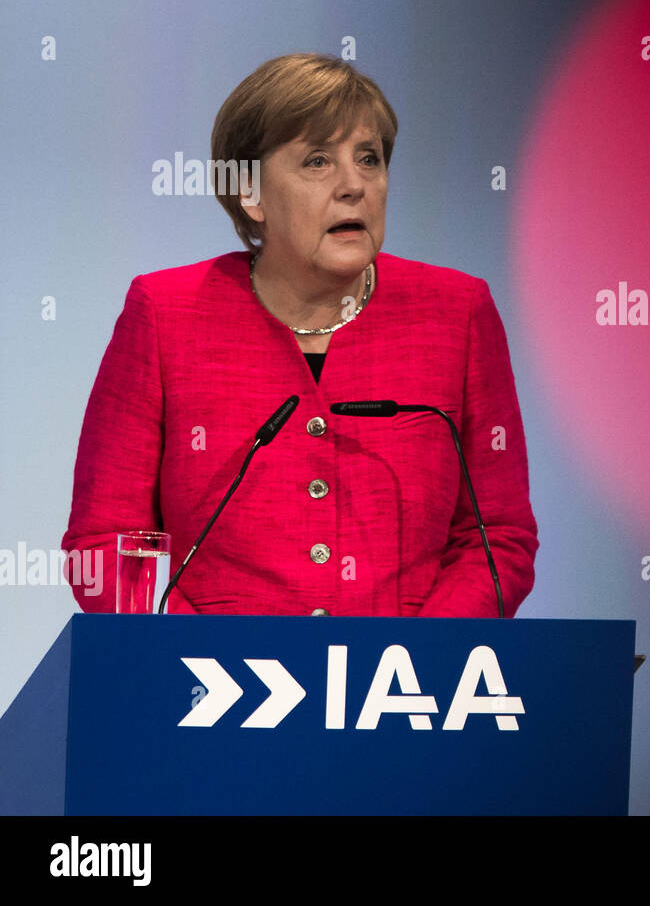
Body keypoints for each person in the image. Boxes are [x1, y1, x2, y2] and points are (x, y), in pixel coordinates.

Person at [61, 53, 538, 616]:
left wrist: (415, 660)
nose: (354, 185)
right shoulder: (166, 314)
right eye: (317, 162)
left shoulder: (456, 312)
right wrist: (192, 658)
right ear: (251, 194)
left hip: (406, 688)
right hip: (210, 688)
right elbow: (106, 546)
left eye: (370, 159)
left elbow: (496, 538)